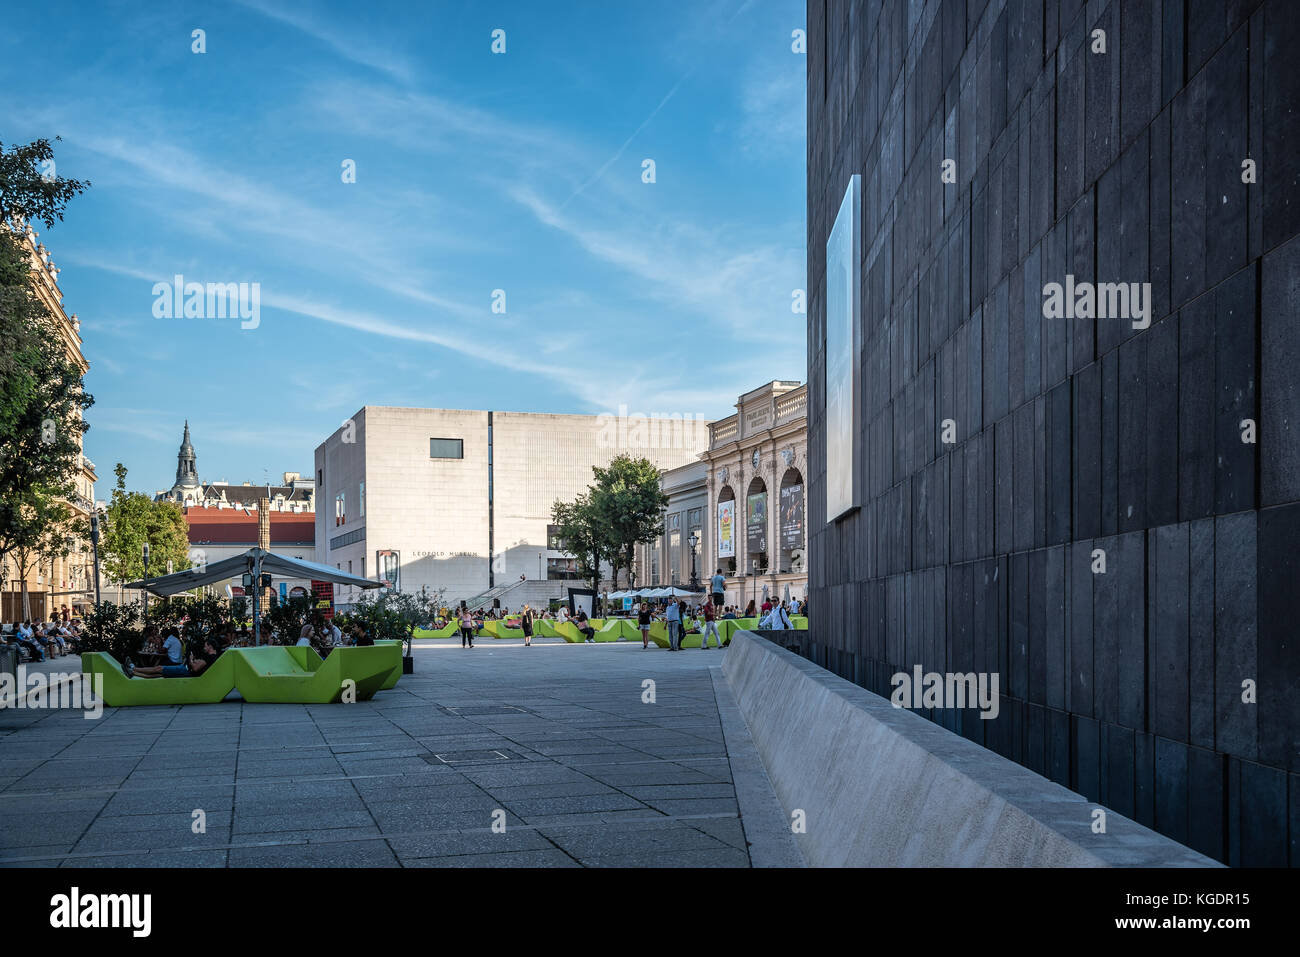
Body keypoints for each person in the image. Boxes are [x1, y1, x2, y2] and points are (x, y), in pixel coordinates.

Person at [127, 636, 221, 679]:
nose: (204, 648)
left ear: (210, 646)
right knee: (159, 674)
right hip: (184, 669)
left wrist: (191, 659)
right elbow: (200, 665)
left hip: (185, 670)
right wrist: (194, 660)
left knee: (159, 668)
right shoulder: (212, 656)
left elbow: (195, 668)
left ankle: (133, 668)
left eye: (205, 646)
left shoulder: (210, 657)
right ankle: (134, 672)